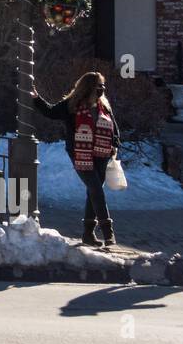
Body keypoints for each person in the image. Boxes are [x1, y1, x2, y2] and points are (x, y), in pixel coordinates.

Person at [32, 72, 122, 247]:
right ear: (88, 88)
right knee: (96, 188)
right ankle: (107, 231)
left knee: (93, 191)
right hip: (80, 152)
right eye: (98, 86)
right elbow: (50, 112)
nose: (101, 90)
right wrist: (36, 98)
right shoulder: (72, 105)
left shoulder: (104, 107)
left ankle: (88, 234)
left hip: (102, 154)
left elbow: (114, 128)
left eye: (103, 85)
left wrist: (115, 144)